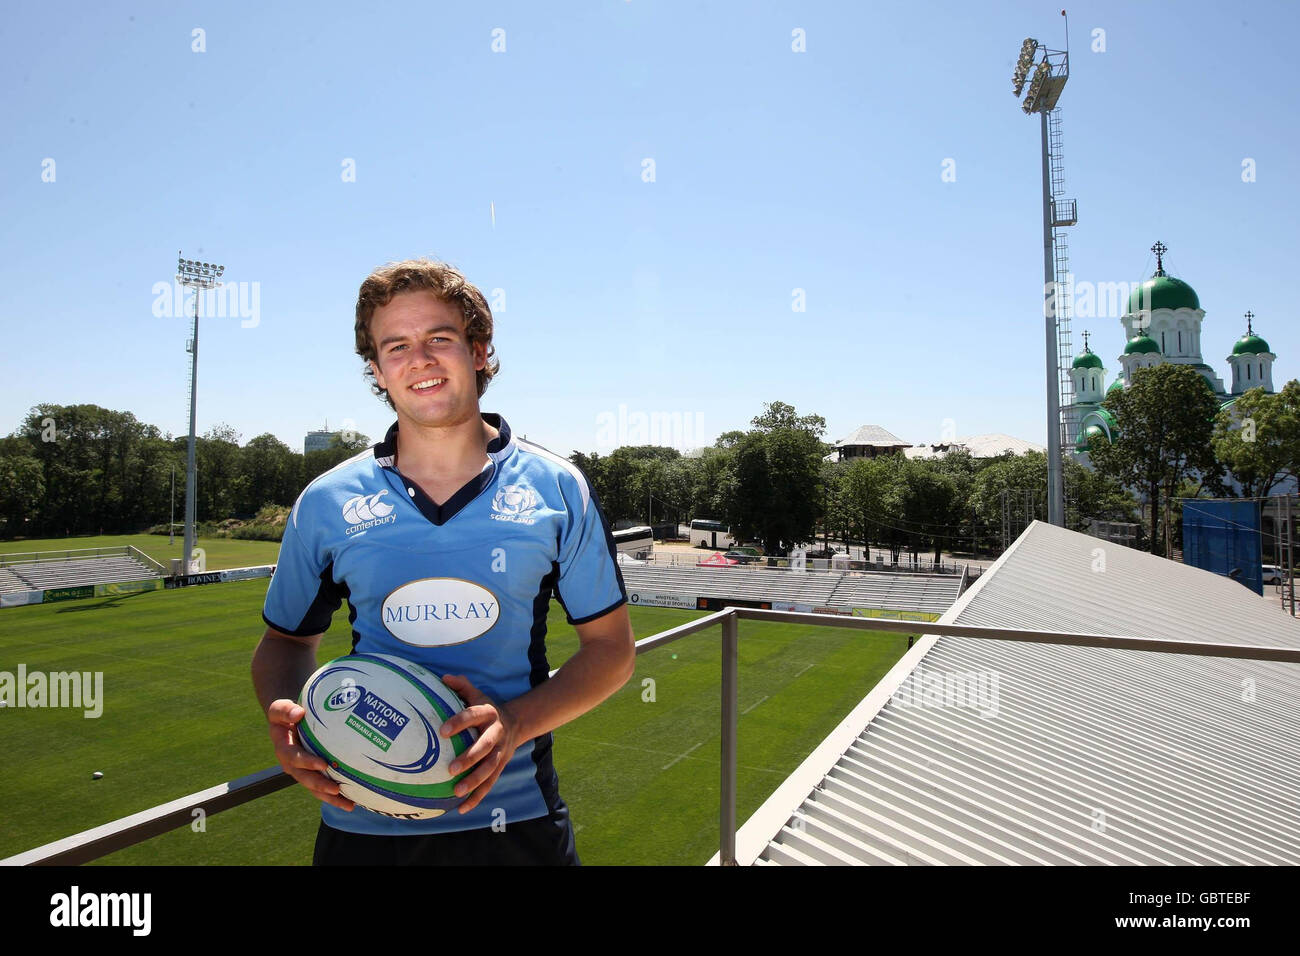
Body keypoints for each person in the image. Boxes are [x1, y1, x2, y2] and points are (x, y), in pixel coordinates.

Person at [251, 258, 635, 865]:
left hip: (518, 821)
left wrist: (511, 721)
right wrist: (293, 720)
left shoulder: (558, 489)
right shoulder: (327, 502)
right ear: (376, 369)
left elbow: (611, 650)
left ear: (479, 350)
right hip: (363, 820)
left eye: (440, 338)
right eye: (396, 346)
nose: (419, 359)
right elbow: (284, 643)